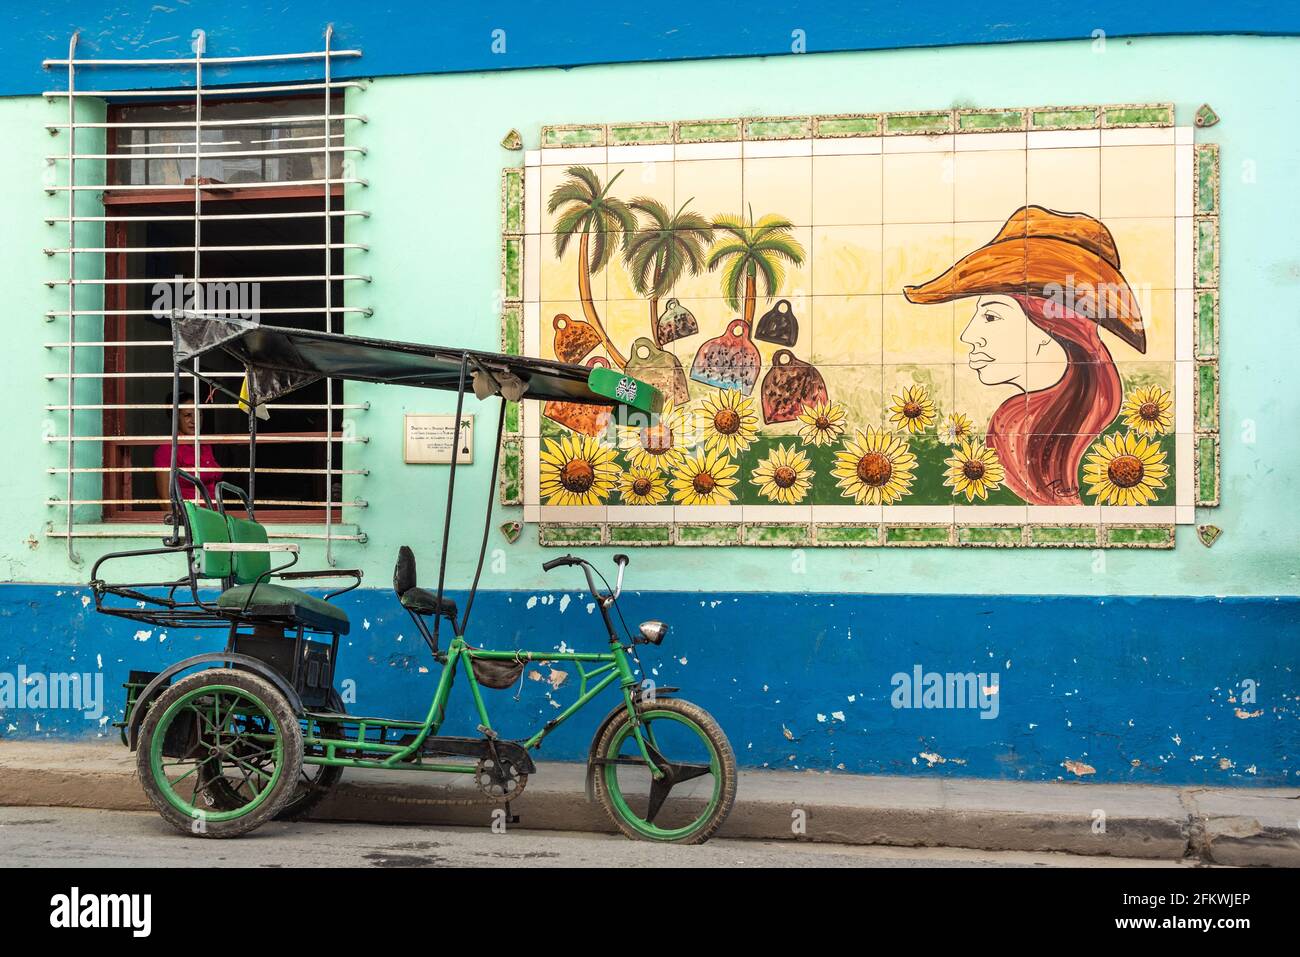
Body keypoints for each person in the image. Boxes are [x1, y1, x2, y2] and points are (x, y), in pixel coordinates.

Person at [903, 205, 1145, 505]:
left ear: (1051, 330)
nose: (968, 336)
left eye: (991, 317)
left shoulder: (1108, 451)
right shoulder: (1012, 429)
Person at [153, 390, 223, 507]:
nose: (194, 421)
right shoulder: (167, 450)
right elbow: (165, 500)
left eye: (198, 414)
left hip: (214, 516)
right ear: (176, 418)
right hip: (190, 519)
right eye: (188, 415)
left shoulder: (205, 445)